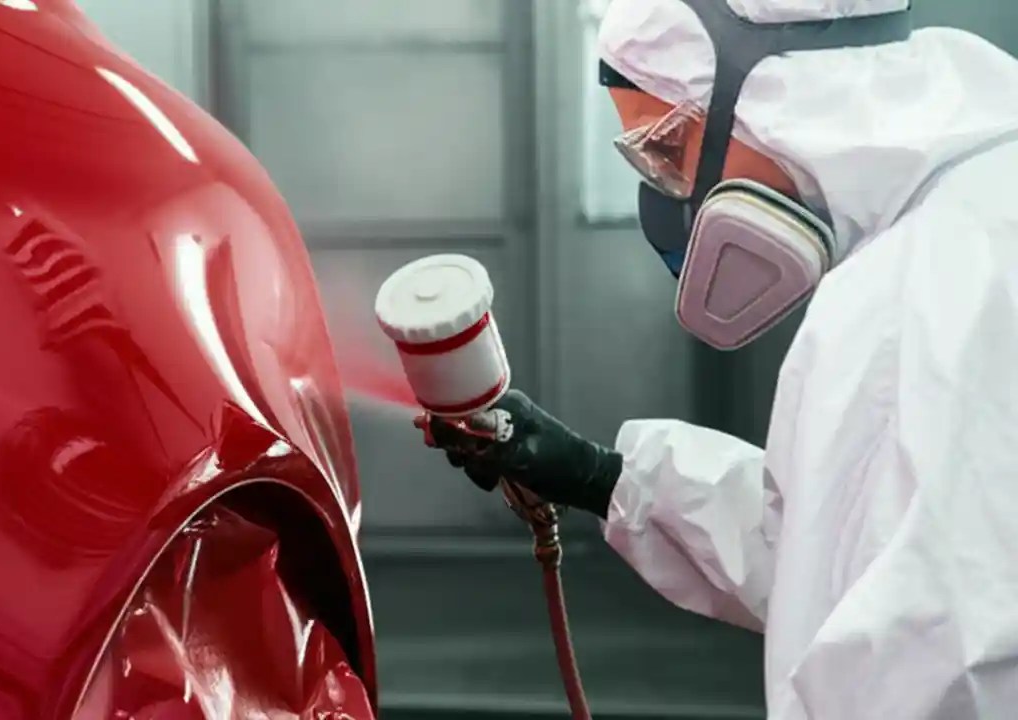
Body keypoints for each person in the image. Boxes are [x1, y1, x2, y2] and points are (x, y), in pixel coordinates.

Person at [426, 0, 1018, 717]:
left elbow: (944, 665)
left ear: (769, 94)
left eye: (669, 153)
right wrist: (601, 477)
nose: (674, 200)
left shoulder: (941, 275)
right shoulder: (947, 223)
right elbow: (826, 558)